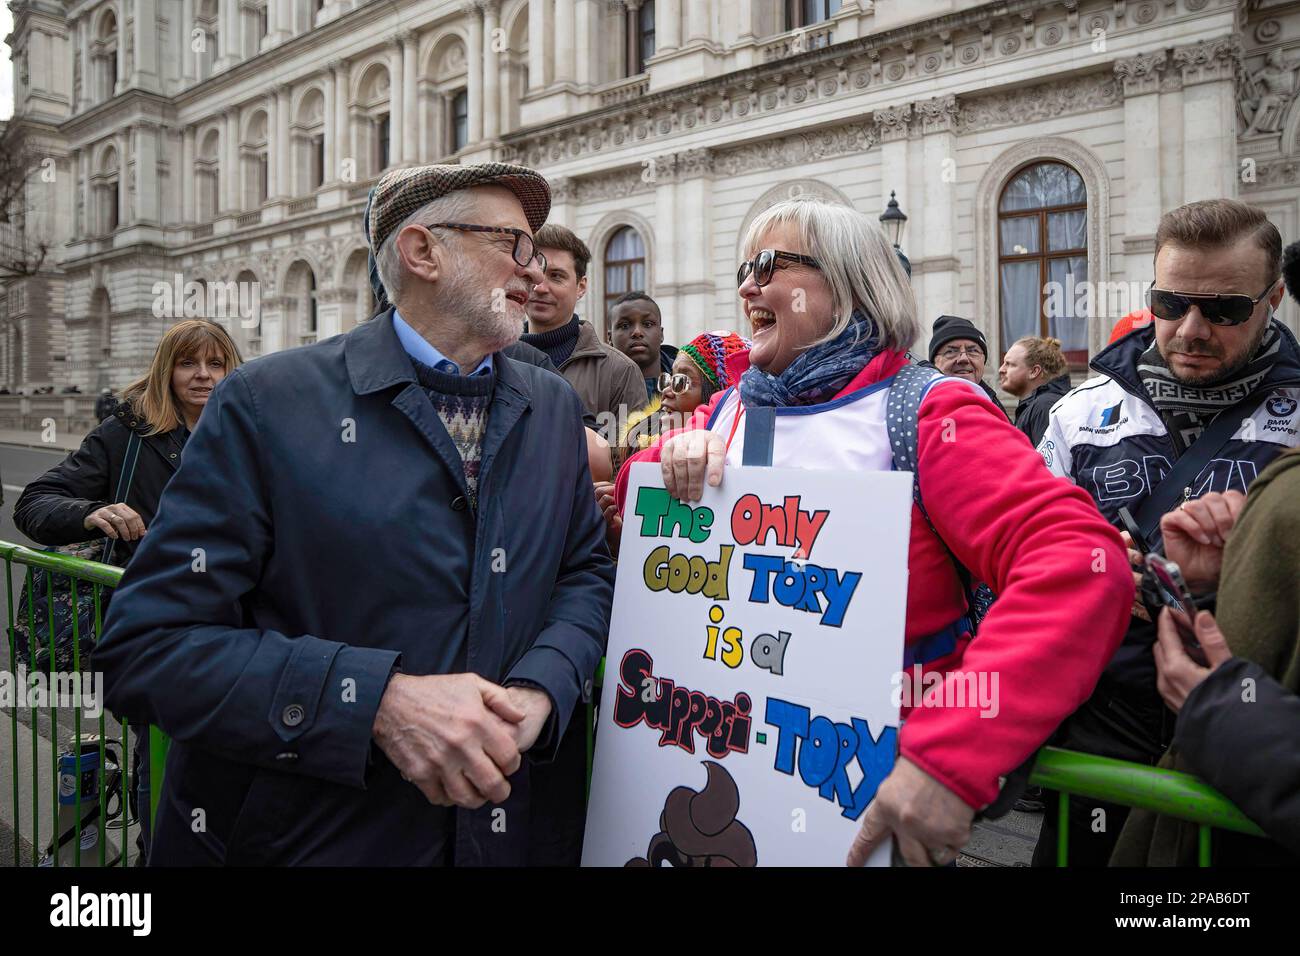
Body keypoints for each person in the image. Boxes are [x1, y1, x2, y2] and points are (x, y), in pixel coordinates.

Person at [92, 162, 615, 866]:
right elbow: (147, 648)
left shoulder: (550, 406)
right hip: (311, 840)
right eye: (512, 244)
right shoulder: (267, 403)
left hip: (507, 834)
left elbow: (583, 573)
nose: (536, 267)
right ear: (422, 252)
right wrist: (376, 704)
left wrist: (541, 688)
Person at [609, 196, 1133, 867]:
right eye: (744, 268)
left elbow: (1080, 567)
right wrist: (667, 458)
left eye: (769, 265)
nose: (746, 286)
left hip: (860, 810)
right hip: (719, 774)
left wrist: (952, 758)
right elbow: (637, 510)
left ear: (852, 284)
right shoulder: (731, 407)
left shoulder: (926, 411)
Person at [1031, 198, 1299, 866]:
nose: (1192, 329)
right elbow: (1012, 561)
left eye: (1226, 310)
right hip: (1094, 733)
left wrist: (1252, 550)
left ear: (1275, 298)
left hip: (1248, 741)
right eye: (1171, 302)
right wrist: (1080, 562)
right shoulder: (1076, 415)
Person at [15, 318, 243, 859]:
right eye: (189, 363)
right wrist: (92, 512)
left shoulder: (257, 430)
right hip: (155, 632)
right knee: (161, 762)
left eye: (216, 363)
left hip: (240, 628)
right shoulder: (126, 436)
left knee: (232, 762)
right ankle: (155, 851)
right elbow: (34, 503)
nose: (204, 376)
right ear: (167, 370)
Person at [602, 330, 748, 549]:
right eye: (669, 379)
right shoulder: (641, 440)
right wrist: (616, 532)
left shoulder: (732, 458)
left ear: (717, 394)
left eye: (682, 381)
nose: (667, 391)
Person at [521, 224, 647, 422]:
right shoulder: (491, 359)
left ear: (581, 286)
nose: (540, 287)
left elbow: (632, 452)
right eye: (534, 274)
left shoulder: (619, 372)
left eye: (556, 276)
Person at [927, 315, 1009, 418]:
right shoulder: (919, 406)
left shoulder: (992, 402)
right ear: (934, 362)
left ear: (983, 359)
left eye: (973, 351)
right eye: (951, 351)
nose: (964, 359)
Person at [998, 336, 1071, 447]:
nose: (1001, 370)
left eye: (1010, 364)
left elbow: (1046, 461)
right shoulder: (1036, 404)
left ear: (1034, 371)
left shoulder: (1045, 406)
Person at [607, 291, 678, 402]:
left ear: (661, 334)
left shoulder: (689, 384)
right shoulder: (596, 387)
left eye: (647, 324)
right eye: (625, 326)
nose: (637, 332)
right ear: (610, 338)